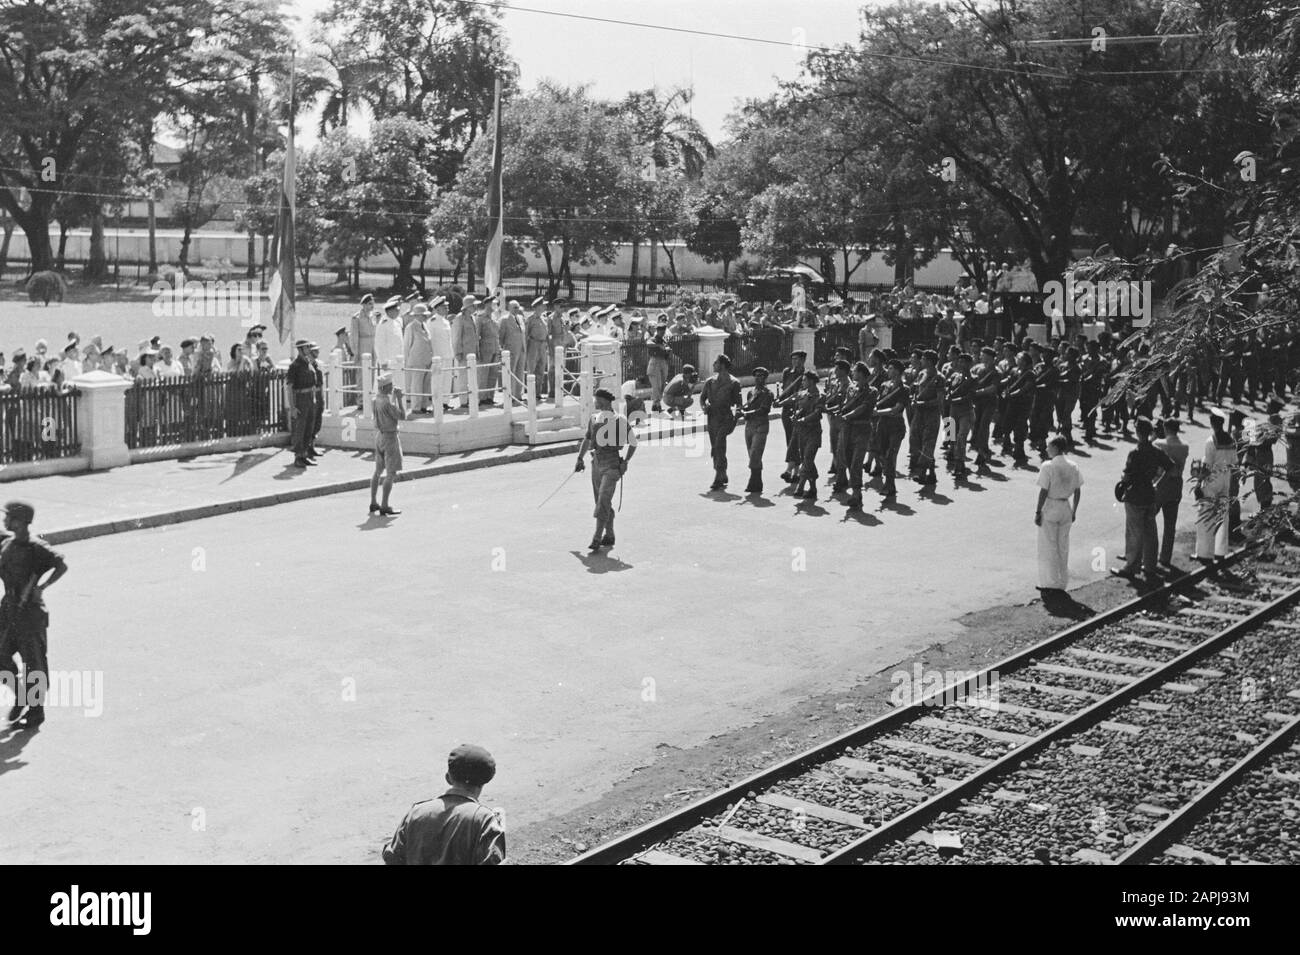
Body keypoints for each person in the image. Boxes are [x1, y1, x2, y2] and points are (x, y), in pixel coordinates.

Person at [0, 501, 68, 729]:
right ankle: (20, 695)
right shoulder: (7, 542)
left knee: (34, 665)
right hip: (8, 608)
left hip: (29, 614)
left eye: (8, 517)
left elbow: (60, 564)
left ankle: (36, 712)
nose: (5, 520)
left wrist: (42, 587)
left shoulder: (35, 547)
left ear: (20, 522)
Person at [381, 744, 506, 865]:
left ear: (448, 778)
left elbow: (393, 859)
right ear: (484, 782)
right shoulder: (484, 819)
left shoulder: (416, 812)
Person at [573, 387, 636, 550]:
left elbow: (633, 442)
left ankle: (596, 537)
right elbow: (587, 440)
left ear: (605, 401)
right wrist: (580, 458)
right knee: (600, 501)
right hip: (596, 463)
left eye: (597, 399)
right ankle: (610, 534)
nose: (595, 402)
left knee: (603, 501)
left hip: (612, 464)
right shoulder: (594, 418)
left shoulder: (620, 419)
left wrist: (626, 462)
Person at [1112, 417, 1172, 579]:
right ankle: (1150, 566)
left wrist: (1122, 481)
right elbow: (1170, 467)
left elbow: (1127, 476)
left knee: (1133, 533)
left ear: (1138, 433)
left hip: (1134, 495)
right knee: (1150, 532)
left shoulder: (1135, 453)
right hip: (1149, 494)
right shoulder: (1156, 451)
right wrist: (1157, 482)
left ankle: (1131, 566)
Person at [1034, 435, 1083, 596]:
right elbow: (1077, 490)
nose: (1047, 449)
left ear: (1055, 448)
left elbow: (1043, 491)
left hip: (1051, 505)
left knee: (1048, 544)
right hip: (1065, 507)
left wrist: (1038, 511)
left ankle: (1049, 582)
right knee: (1063, 545)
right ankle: (1062, 582)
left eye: (1049, 446)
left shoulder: (1048, 466)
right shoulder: (1073, 466)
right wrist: (1074, 510)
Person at [1192, 408, 1237, 563]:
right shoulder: (1230, 440)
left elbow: (1207, 467)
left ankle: (1205, 553)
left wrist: (1198, 484)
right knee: (1222, 516)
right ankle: (1220, 551)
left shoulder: (1211, 441)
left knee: (1206, 516)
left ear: (1212, 423)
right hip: (1226, 480)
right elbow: (1234, 462)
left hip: (1212, 482)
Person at [699, 354, 743, 490]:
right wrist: (704, 406)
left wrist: (735, 420)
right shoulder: (710, 381)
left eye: (716, 363)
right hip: (712, 418)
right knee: (715, 446)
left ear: (722, 365)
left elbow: (739, 404)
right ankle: (722, 473)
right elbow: (702, 398)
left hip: (725, 418)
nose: (713, 365)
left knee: (718, 444)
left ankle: (719, 475)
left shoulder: (734, 383)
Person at [839, 361, 878, 511]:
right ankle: (856, 490)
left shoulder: (872, 391)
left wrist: (848, 415)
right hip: (848, 428)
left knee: (856, 461)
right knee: (847, 459)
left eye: (855, 371)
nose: (852, 373)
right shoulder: (851, 389)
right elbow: (845, 404)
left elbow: (863, 408)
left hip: (862, 428)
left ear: (861, 373)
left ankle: (856, 492)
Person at [1154, 418, 1189, 568]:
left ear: (1165, 428)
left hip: (1160, 484)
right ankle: (1165, 557)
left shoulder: (1159, 444)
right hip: (1176, 484)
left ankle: (1147, 554)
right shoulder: (1184, 446)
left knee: (1148, 520)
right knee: (1170, 524)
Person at [369, 373, 406, 516]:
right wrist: (399, 399)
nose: (392, 387)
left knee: (377, 471)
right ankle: (384, 505)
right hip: (390, 437)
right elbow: (402, 416)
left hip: (380, 435)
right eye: (390, 385)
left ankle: (373, 502)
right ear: (385, 387)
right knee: (391, 473)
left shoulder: (375, 400)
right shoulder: (388, 403)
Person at [737, 366, 774, 494]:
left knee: (755, 454)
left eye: (761, 376)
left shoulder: (768, 394)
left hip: (761, 426)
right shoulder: (750, 392)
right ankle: (757, 482)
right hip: (749, 426)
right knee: (751, 454)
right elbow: (747, 407)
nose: (758, 378)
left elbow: (764, 409)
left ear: (765, 378)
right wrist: (741, 411)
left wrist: (747, 413)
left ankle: (754, 481)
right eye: (756, 375)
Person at [791, 370, 823, 500]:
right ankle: (813, 488)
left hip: (813, 431)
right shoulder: (803, 394)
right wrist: (796, 415)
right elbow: (800, 408)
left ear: (811, 381)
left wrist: (803, 419)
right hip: (802, 432)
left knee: (808, 458)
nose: (802, 382)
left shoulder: (820, 396)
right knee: (807, 459)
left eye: (804, 380)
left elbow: (818, 413)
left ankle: (801, 485)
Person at [776, 351, 807, 482]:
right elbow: (785, 389)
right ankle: (794, 469)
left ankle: (794, 470)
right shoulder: (787, 372)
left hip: (799, 409)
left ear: (803, 360)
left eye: (797, 359)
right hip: (786, 409)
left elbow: (801, 394)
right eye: (793, 359)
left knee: (797, 440)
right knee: (790, 439)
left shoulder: (806, 375)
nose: (795, 362)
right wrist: (779, 399)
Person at [287, 340, 317, 468]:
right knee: (300, 428)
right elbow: (289, 387)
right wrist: (292, 407)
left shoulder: (308, 363)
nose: (309, 349)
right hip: (301, 398)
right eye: (306, 347)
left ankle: (304, 454)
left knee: (309, 427)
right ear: (300, 349)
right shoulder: (295, 365)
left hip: (310, 398)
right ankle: (298, 456)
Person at [402, 304, 434, 413]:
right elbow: (407, 346)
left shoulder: (425, 326)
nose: (425, 317)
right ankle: (416, 407)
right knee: (416, 384)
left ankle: (424, 406)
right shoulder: (410, 327)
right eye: (423, 315)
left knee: (425, 384)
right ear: (417, 315)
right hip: (416, 361)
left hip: (427, 360)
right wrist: (406, 361)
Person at [499, 300, 528, 402]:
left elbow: (523, 333)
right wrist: (502, 348)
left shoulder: (520, 318)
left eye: (518, 307)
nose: (517, 309)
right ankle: (510, 395)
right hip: (511, 349)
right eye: (514, 307)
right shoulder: (504, 319)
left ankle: (518, 394)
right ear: (509, 308)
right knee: (511, 372)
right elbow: (501, 336)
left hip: (521, 349)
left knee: (520, 372)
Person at [525, 298, 550, 399]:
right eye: (543, 305)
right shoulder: (530, 319)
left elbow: (546, 333)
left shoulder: (544, 318)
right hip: (533, 344)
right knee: (532, 369)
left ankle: (538, 393)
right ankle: (531, 393)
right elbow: (526, 334)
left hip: (543, 345)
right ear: (538, 307)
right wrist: (526, 348)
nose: (545, 307)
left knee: (541, 369)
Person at [646, 325, 672, 412]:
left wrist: (667, 350)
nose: (662, 332)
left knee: (661, 385)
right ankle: (657, 405)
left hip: (663, 362)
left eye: (663, 330)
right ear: (657, 330)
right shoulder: (653, 339)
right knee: (656, 385)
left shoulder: (663, 340)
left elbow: (667, 351)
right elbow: (648, 343)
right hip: (655, 362)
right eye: (660, 330)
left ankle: (655, 404)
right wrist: (658, 346)